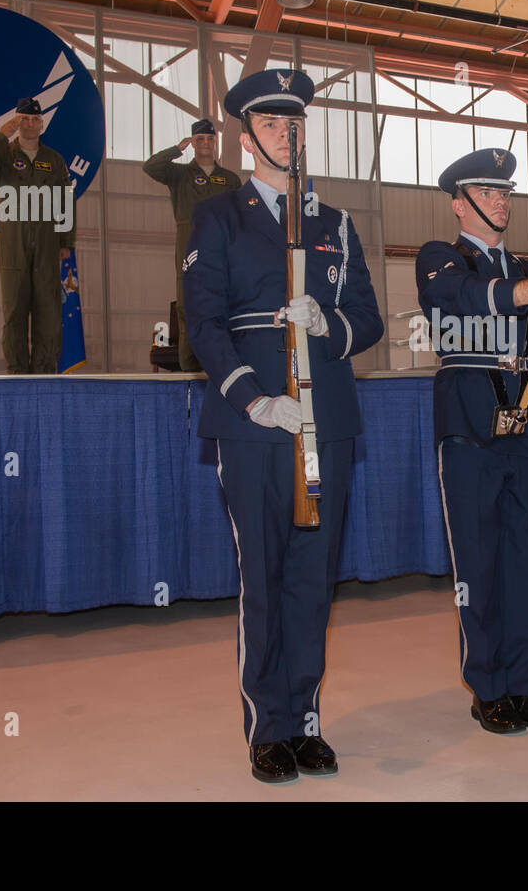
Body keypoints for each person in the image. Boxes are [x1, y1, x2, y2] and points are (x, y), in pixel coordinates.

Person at [182, 68, 383, 784]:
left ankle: (305, 719)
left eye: (295, 125)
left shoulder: (336, 224)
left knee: (313, 578)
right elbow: (202, 322)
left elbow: (371, 321)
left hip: (326, 421)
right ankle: (267, 726)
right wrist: (249, 397)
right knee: (263, 578)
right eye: (272, 125)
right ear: (246, 139)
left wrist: (329, 324)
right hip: (257, 424)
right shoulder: (220, 218)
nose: (287, 135)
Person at [416, 148, 528, 735]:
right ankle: (487, 685)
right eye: (489, 194)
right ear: (459, 203)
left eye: (506, 193)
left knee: (521, 563)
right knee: (478, 561)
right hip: (467, 429)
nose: (501, 202)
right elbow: (467, 299)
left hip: (519, 430)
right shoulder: (441, 259)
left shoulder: (525, 270)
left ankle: (522, 682)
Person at [0, 97, 73, 374]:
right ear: (16, 121)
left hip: (47, 241)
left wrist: (66, 242)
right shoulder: (4, 154)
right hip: (13, 241)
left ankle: (44, 369)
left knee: (49, 310)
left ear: (42, 124)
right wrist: (2, 134)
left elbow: (65, 201)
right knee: (14, 309)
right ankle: (16, 370)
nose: (29, 124)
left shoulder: (54, 159)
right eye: (24, 119)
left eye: (34, 120)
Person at [143, 119, 242, 371]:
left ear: (215, 142)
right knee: (188, 310)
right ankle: (189, 372)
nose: (205, 143)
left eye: (209, 139)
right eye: (200, 139)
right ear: (193, 142)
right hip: (188, 245)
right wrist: (177, 150)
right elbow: (151, 167)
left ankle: (222, 369)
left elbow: (240, 217)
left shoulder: (229, 179)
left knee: (222, 308)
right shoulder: (179, 174)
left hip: (222, 249)